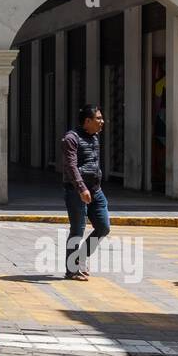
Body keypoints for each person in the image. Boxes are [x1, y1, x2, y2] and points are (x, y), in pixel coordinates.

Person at [60, 105, 109, 280]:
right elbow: (71, 166)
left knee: (103, 227)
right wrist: (82, 188)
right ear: (87, 121)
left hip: (96, 190)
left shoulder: (95, 137)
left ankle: (80, 257)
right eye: (98, 118)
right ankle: (72, 270)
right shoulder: (71, 138)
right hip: (76, 191)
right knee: (77, 230)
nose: (102, 122)